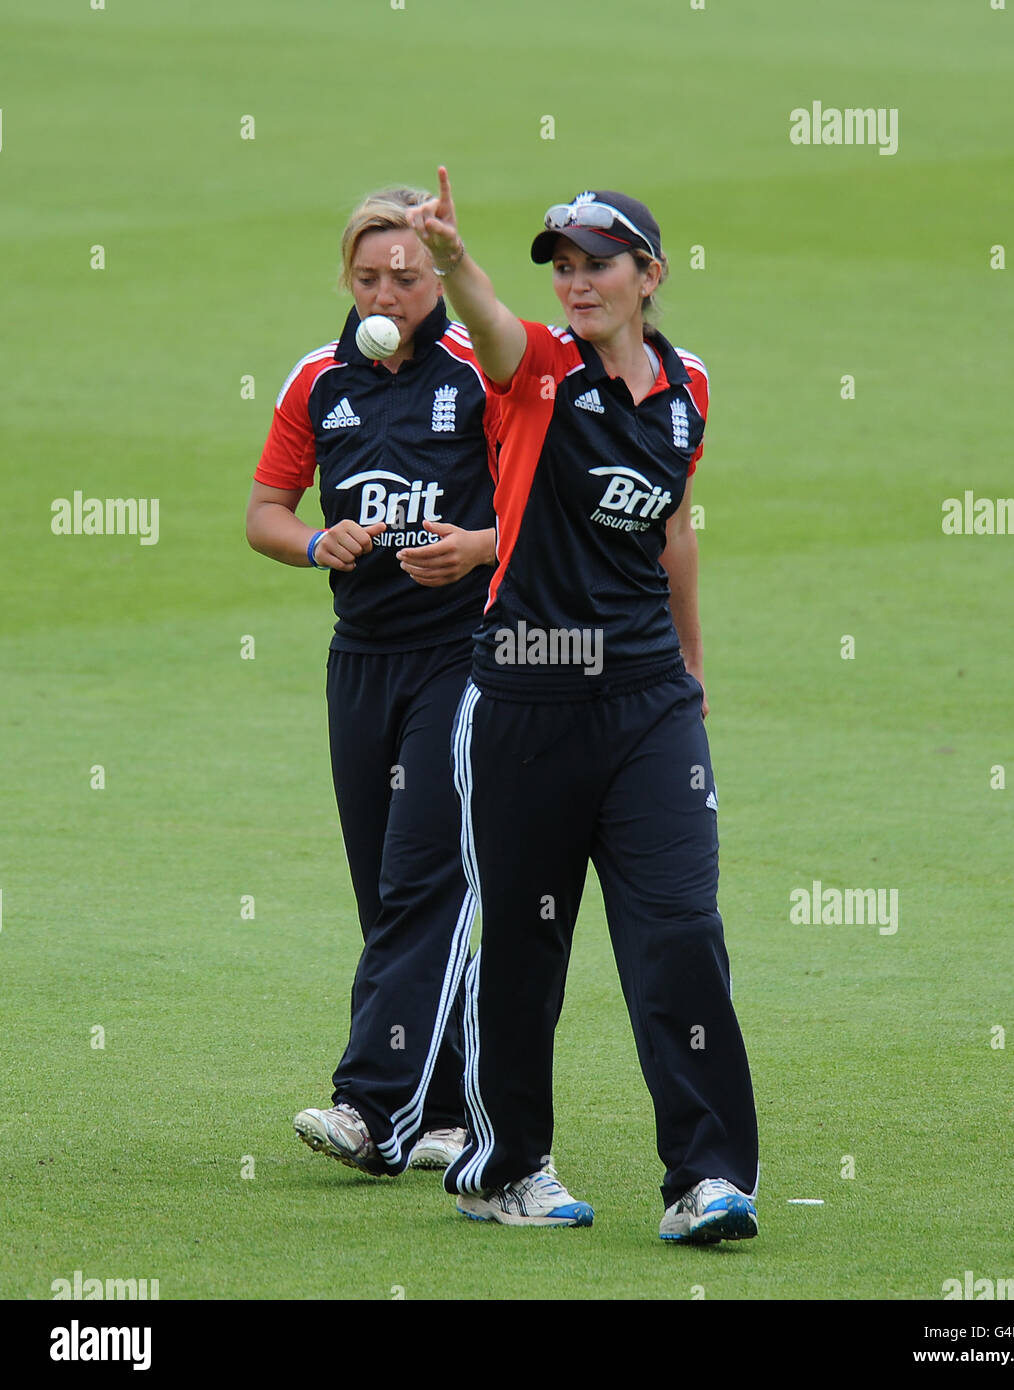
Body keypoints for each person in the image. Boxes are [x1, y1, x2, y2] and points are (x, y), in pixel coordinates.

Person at [408, 169, 760, 1241]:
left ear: (649, 274)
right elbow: (492, 327)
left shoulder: (688, 384)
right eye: (562, 266)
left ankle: (705, 1176)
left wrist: (691, 670)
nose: (577, 281)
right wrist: (456, 260)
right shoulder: (541, 369)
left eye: (597, 262)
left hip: (649, 700)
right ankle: (504, 1166)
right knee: (524, 942)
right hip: (525, 690)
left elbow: (674, 529)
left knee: (681, 929)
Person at [246, 185, 499, 1177]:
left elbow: (538, 503)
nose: (387, 290)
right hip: (360, 660)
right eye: (367, 276)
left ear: (439, 275)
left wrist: (478, 547)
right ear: (346, 278)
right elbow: (267, 508)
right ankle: (450, 1109)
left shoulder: (482, 373)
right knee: (384, 889)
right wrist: (318, 541)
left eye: (406, 274)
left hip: (465, 657)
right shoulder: (319, 379)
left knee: (421, 876)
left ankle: (368, 1106)